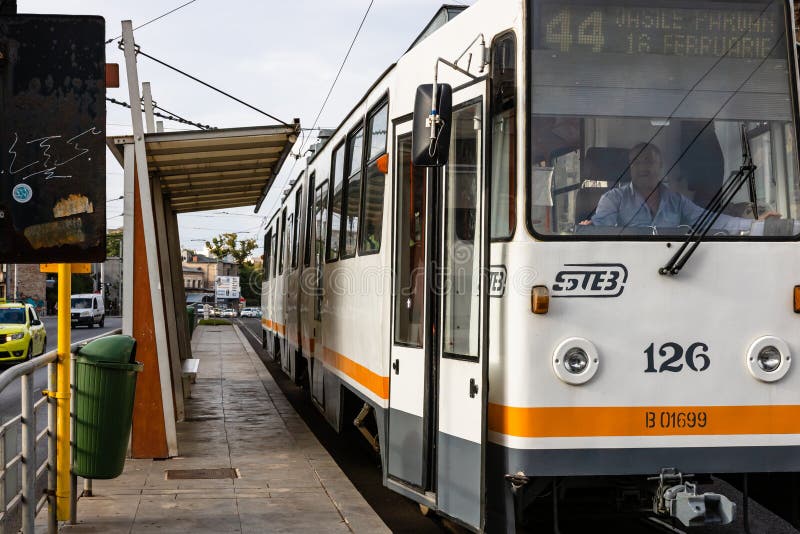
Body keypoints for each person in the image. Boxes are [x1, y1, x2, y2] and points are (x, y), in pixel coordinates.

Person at [582, 142, 779, 233]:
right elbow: (601, 231)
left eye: (649, 161)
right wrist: (587, 230)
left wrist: (756, 224)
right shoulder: (612, 199)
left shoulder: (676, 201)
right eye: (636, 162)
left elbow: (711, 222)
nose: (643, 167)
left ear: (660, 167)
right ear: (630, 167)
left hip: (673, 261)